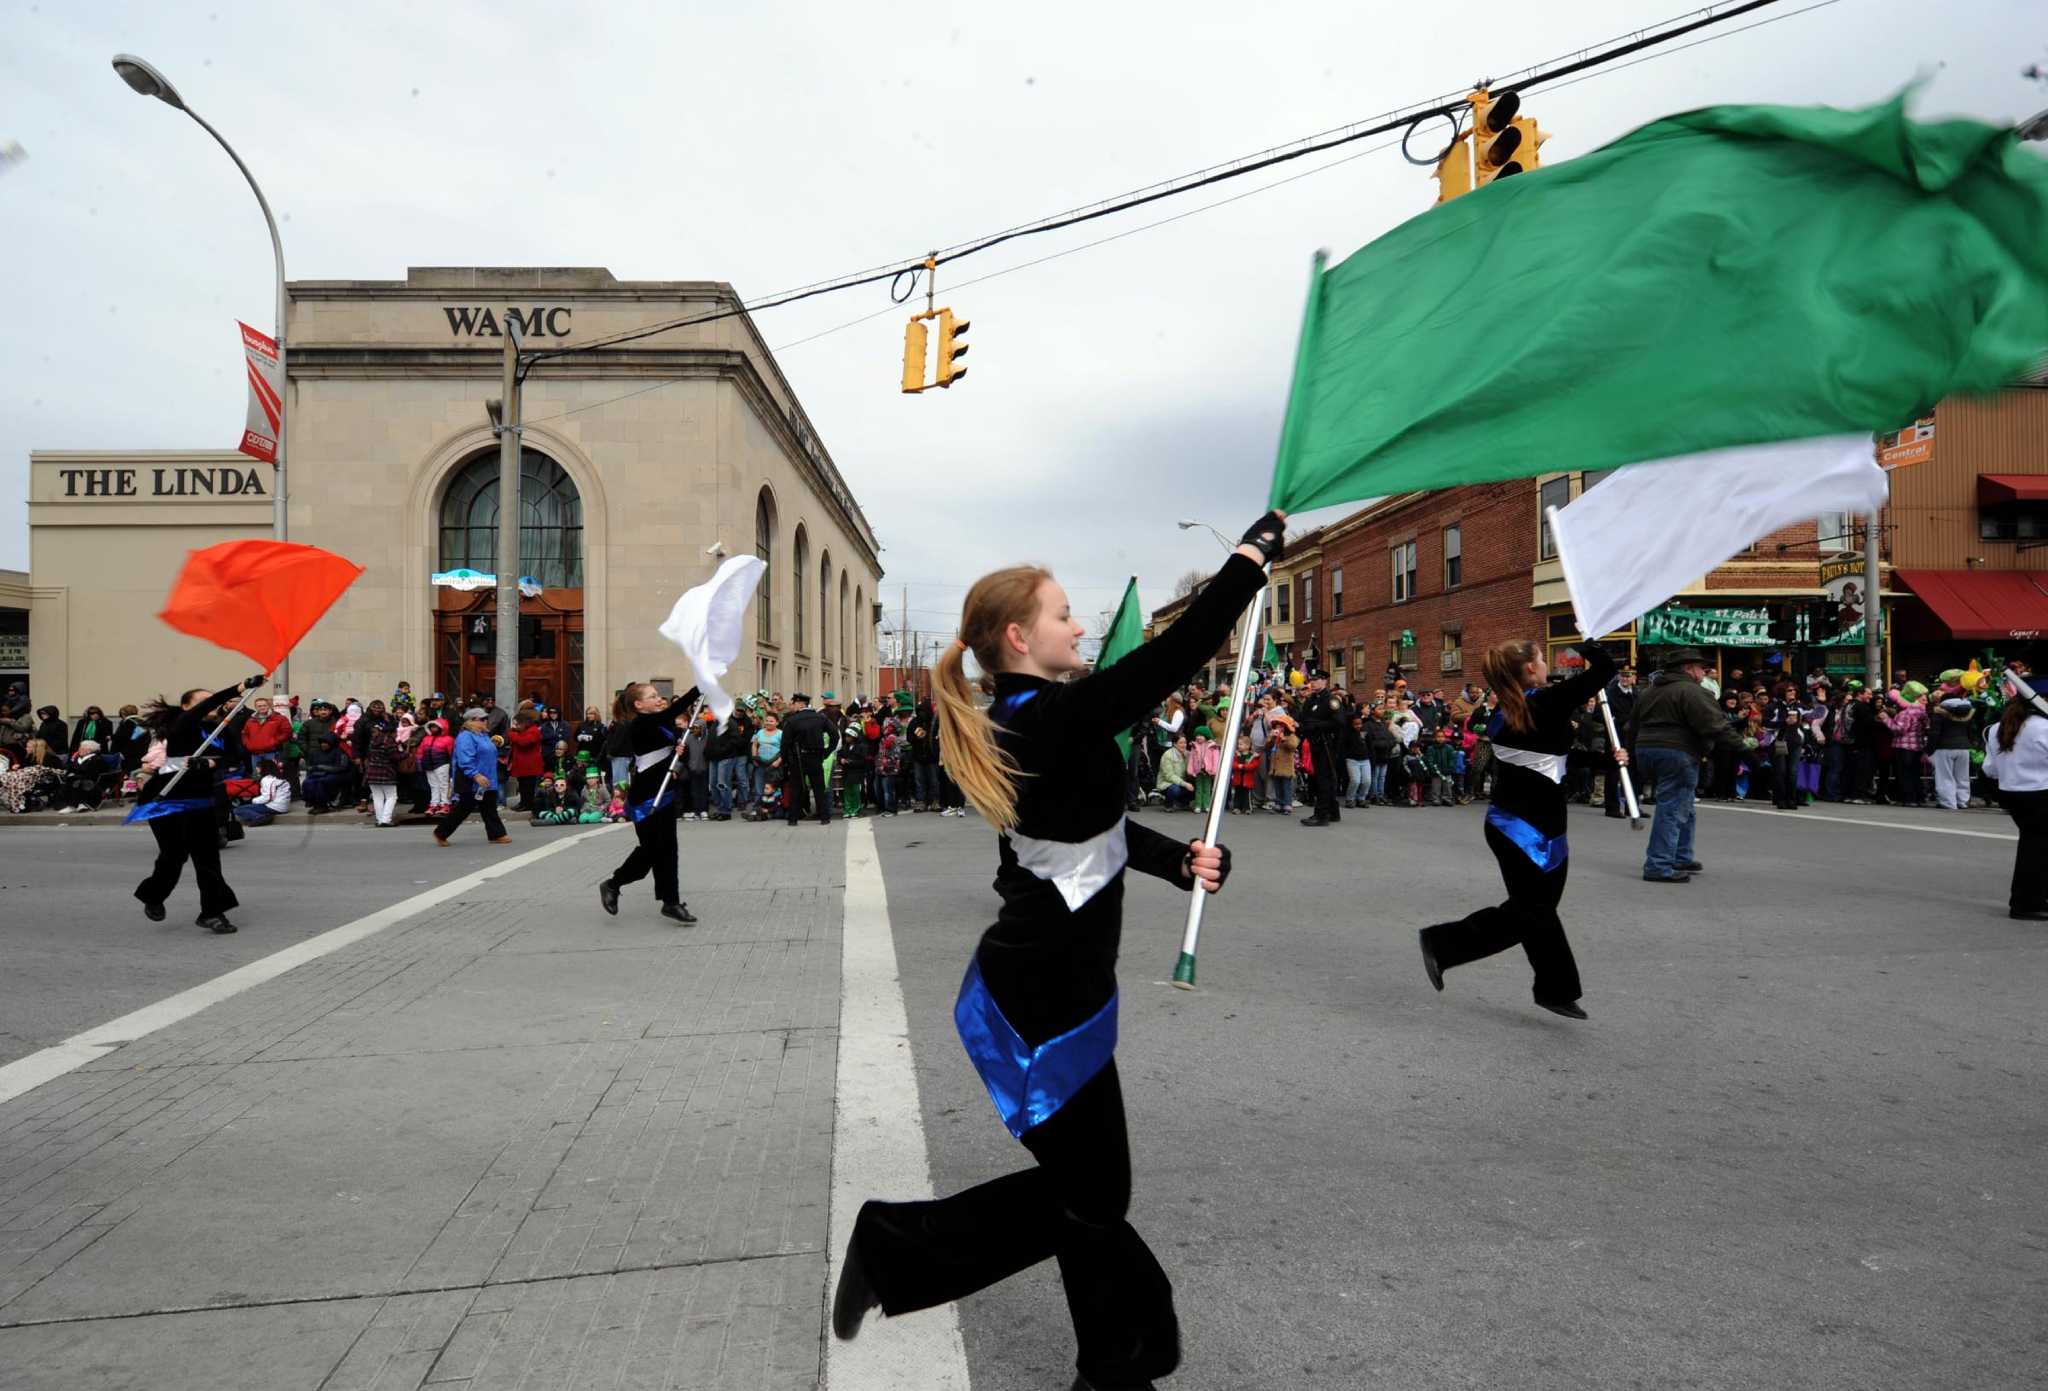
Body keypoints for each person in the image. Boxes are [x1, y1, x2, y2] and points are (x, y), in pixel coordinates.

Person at [830, 509, 1273, 1391]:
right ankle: (895, 1248)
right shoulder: (1043, 718)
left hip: (1057, 988)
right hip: (1039, 1004)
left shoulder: (1035, 719)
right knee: (1092, 1196)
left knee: (1087, 1195)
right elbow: (1164, 665)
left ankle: (1113, 1362)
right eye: (1065, 613)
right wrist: (1245, 565)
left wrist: (1174, 857)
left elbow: (1075, 837)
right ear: (1018, 636)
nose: (1081, 626)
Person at [1417, 640, 1619, 1019]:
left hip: (1543, 824)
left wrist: (1609, 759)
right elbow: (1604, 671)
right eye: (1542, 659)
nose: (1545, 666)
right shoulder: (1539, 704)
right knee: (1535, 910)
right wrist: (1590, 641)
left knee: (1536, 910)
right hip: (1520, 829)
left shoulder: (1514, 709)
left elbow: (1553, 757)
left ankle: (1447, 946)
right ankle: (1552, 988)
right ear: (1528, 669)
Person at [132, 674, 264, 933]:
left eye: (213, 701)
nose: (213, 706)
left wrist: (213, 762)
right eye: (205, 701)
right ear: (186, 707)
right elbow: (207, 706)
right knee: (174, 855)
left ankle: (212, 913)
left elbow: (233, 756)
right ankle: (153, 895)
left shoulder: (219, 730)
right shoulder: (182, 724)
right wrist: (239, 687)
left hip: (200, 799)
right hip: (167, 798)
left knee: (207, 858)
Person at [1630, 648, 1751, 883]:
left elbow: (1632, 725)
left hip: (1646, 750)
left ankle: (1681, 855)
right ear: (1687, 668)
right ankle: (1659, 864)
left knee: (1683, 802)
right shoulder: (1693, 692)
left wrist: (1631, 753)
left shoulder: (1648, 692)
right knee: (1673, 805)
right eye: (1700, 669)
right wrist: (1744, 750)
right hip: (1677, 751)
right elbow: (1716, 725)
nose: (1703, 673)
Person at [596, 683, 700, 924]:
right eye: (652, 696)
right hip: (646, 798)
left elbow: (670, 754)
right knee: (651, 851)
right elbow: (670, 713)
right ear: (638, 704)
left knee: (669, 850)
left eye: (657, 695)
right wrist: (698, 688)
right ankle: (613, 884)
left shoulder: (661, 725)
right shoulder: (640, 724)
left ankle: (671, 902)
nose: (658, 698)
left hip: (665, 793)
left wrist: (678, 752)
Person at [1984, 677, 2048, 920]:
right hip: (2042, 793)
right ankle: (2026, 903)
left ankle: (2033, 899)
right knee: (2036, 850)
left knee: (2034, 847)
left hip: (2012, 794)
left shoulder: (1997, 727)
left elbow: (1990, 769)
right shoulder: (2043, 727)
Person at [433, 708, 511, 847]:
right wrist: (475, 774)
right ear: (471, 721)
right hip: (472, 779)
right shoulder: (465, 737)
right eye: (482, 719)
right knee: (464, 808)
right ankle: (441, 832)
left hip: (487, 778)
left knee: (489, 808)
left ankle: (497, 834)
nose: (485, 721)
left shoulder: (483, 735)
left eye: (485, 718)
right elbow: (465, 759)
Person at [780, 693, 837, 826]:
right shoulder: (820, 718)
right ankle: (824, 817)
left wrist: (786, 761)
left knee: (796, 789)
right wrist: (826, 752)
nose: (792, 706)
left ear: (800, 704)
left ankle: (793, 818)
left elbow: (785, 744)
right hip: (816, 757)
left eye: (793, 703)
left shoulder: (792, 720)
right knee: (819, 787)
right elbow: (835, 736)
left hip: (797, 759)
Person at [1297, 670, 1344, 826]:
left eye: (1317, 680)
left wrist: (1317, 725)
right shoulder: (1311, 700)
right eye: (1312, 680)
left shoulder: (1331, 700)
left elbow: (1339, 722)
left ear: (1324, 681)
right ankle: (1332, 811)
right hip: (1313, 742)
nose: (1314, 682)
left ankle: (1321, 815)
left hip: (1326, 743)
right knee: (1322, 778)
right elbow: (1303, 718)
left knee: (1324, 779)